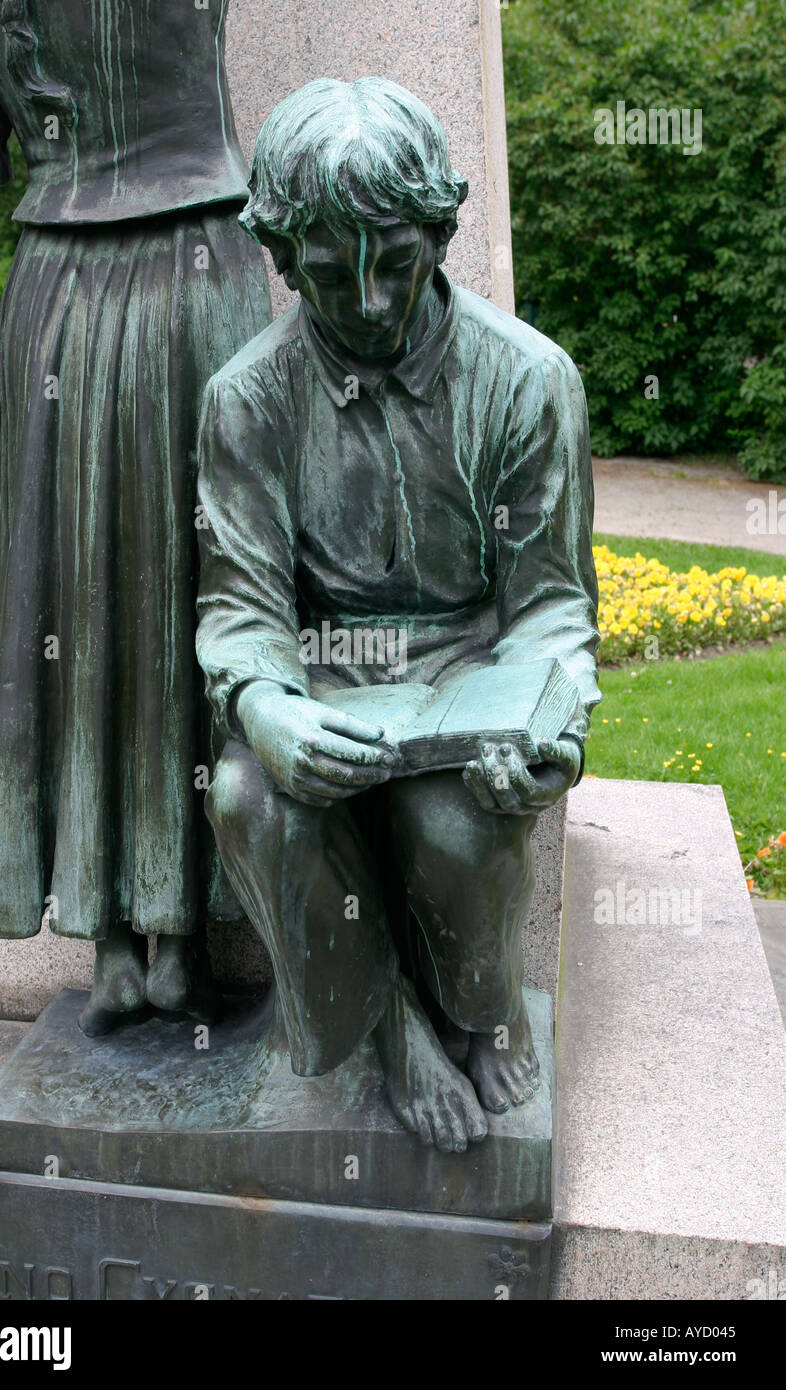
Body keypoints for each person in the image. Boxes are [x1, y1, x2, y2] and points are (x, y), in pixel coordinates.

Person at [195, 78, 601, 1152]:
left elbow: (551, 604)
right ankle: (387, 1032)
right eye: (329, 272)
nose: (369, 300)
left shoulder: (526, 382)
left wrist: (553, 721)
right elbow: (241, 607)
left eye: (398, 261)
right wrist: (267, 705)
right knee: (249, 795)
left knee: (455, 819)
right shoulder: (247, 398)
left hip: (469, 667)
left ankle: (481, 1004)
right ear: (282, 261)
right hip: (324, 675)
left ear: (439, 234)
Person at [0, 0, 272, 1034]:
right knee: (206, 595)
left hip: (60, 299)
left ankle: (110, 938)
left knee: (73, 604)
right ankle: (190, 939)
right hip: (201, 275)